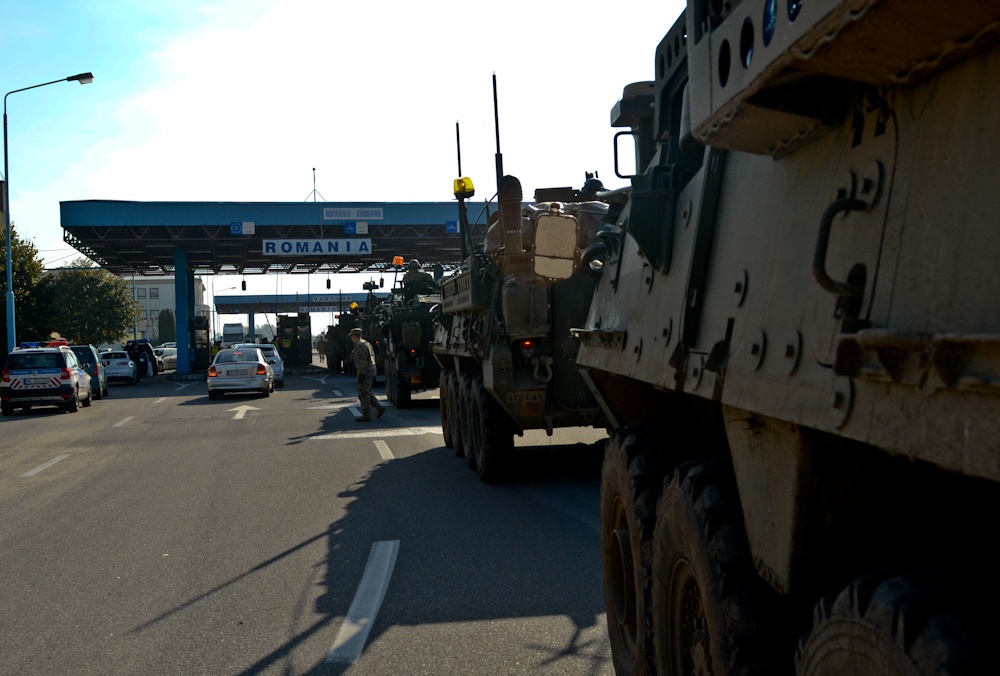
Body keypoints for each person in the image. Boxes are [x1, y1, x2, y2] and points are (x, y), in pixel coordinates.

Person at [350, 327, 385, 422]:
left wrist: (361, 375)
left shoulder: (360, 345)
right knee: (365, 391)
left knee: (363, 393)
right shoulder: (366, 343)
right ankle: (379, 407)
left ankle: (366, 414)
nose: (351, 338)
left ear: (355, 336)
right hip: (371, 370)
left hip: (366, 372)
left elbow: (363, 362)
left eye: (352, 336)